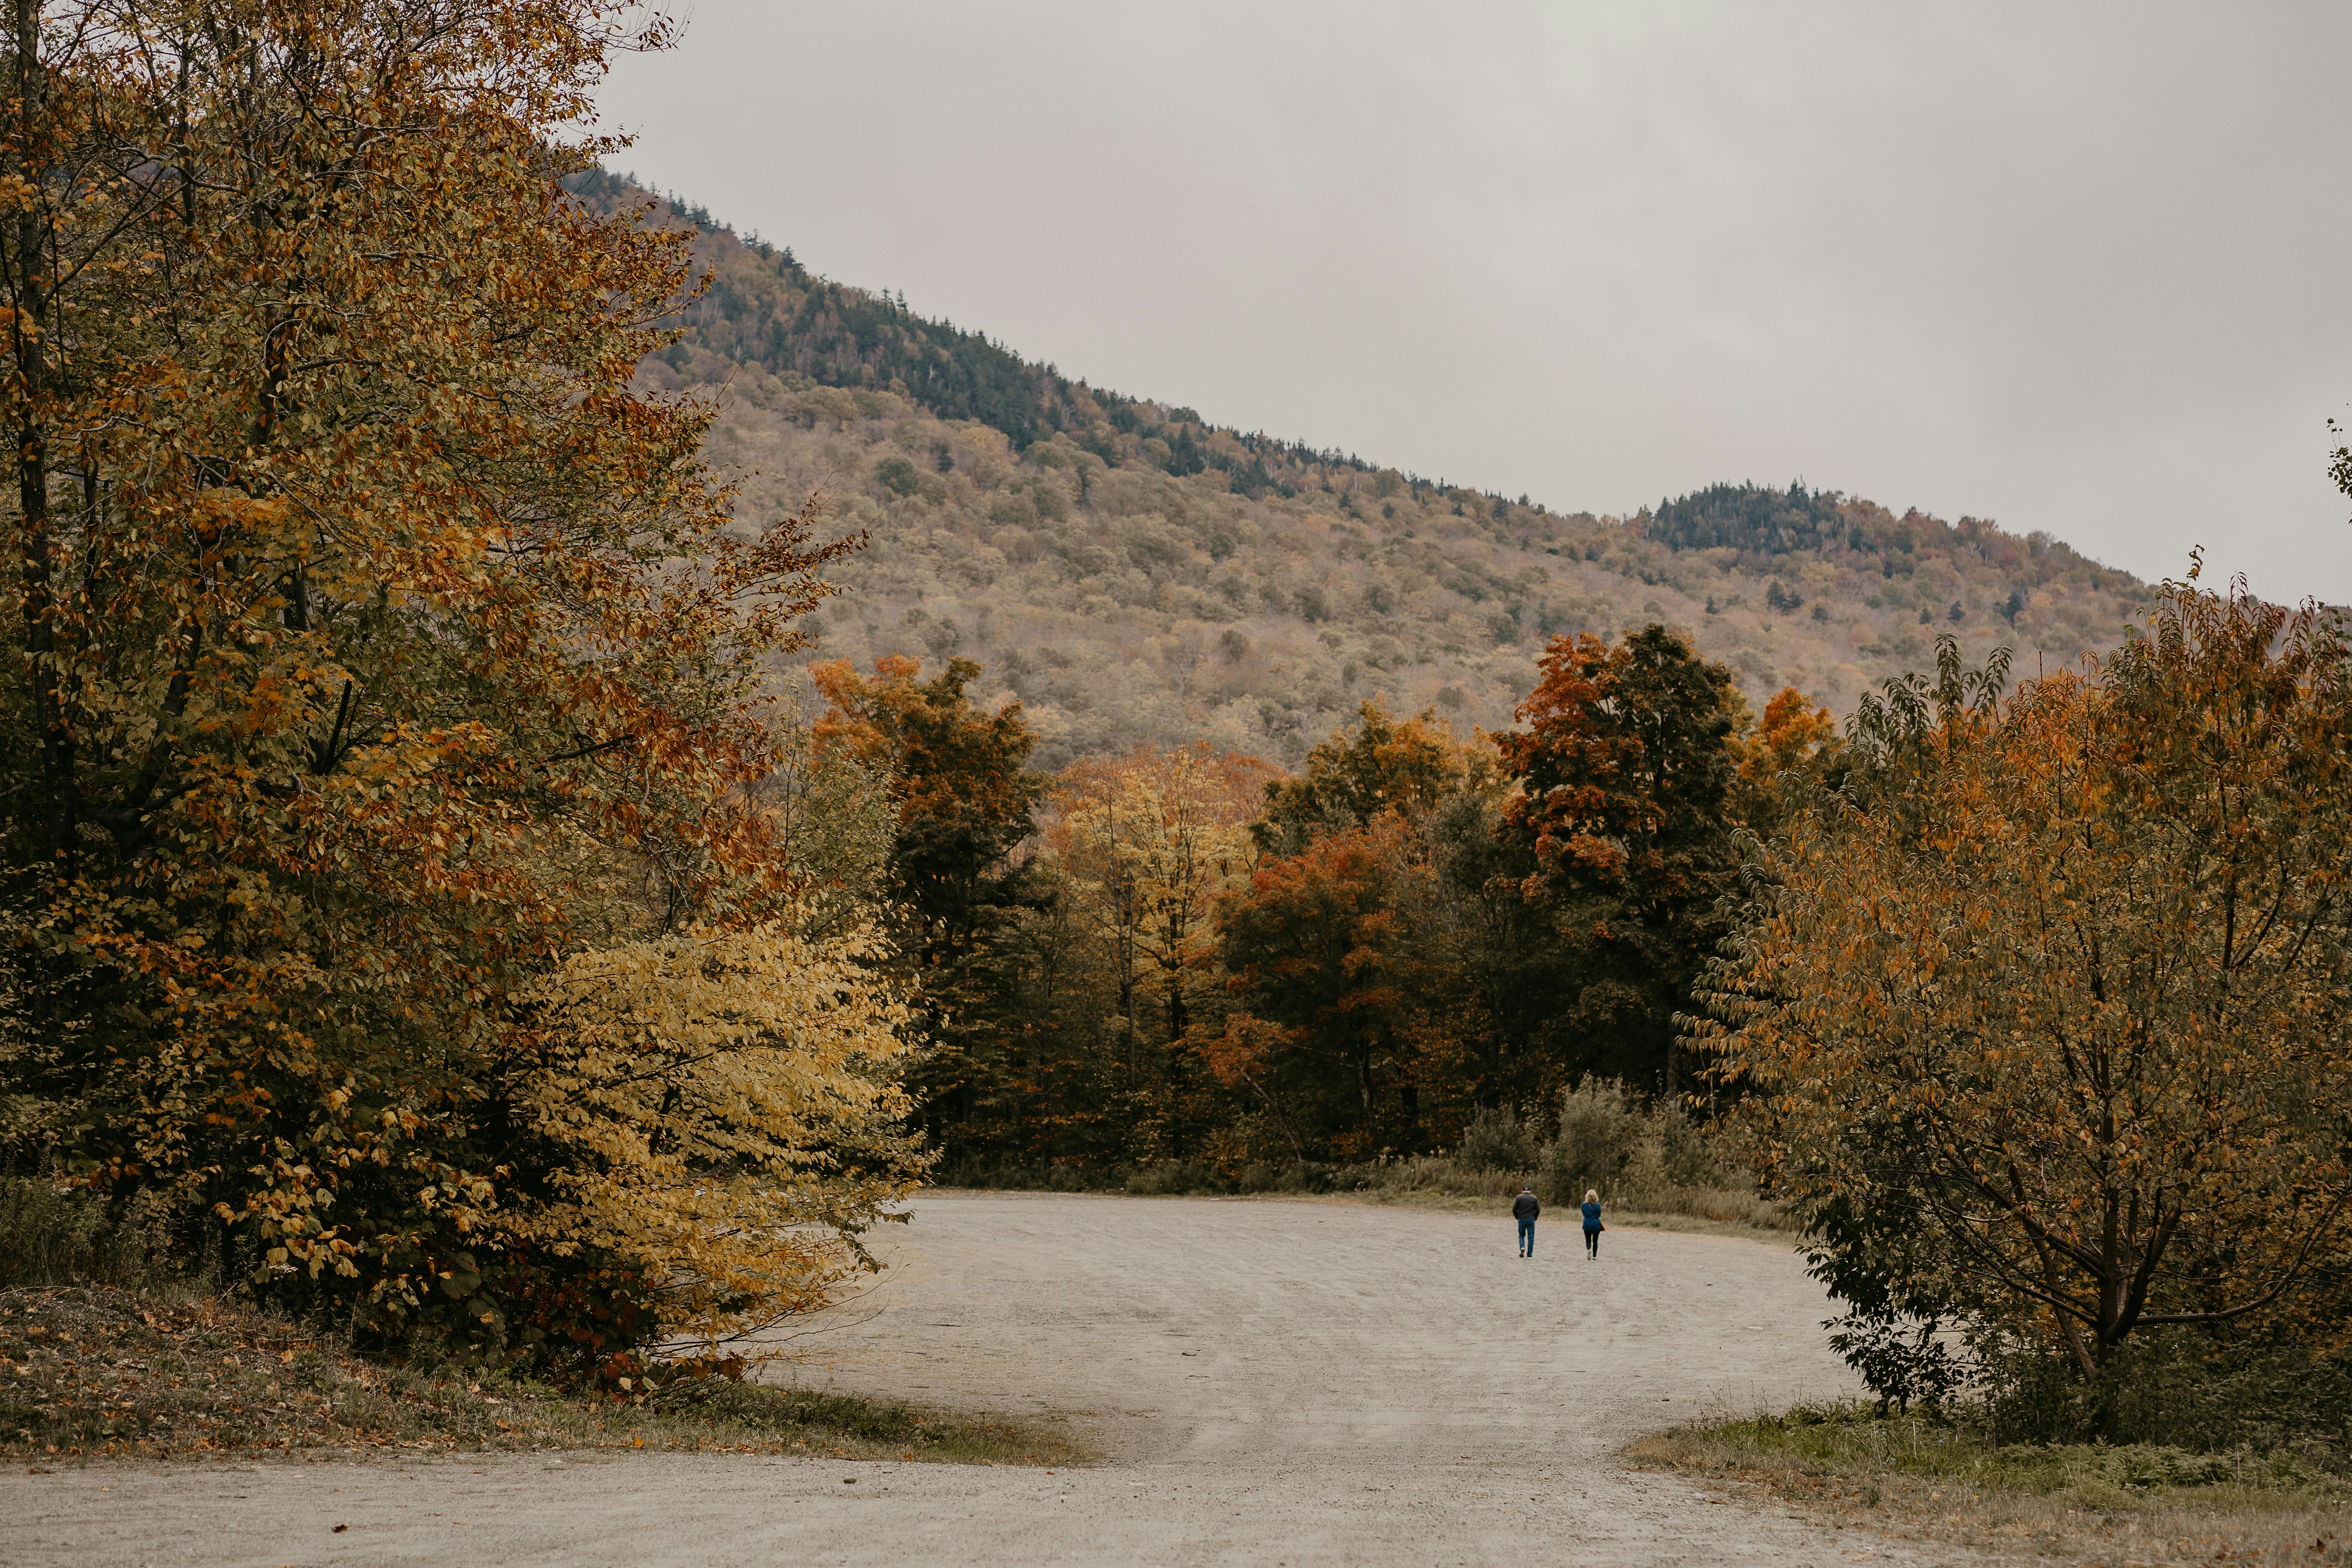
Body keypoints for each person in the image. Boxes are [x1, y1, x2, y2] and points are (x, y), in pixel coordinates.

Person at [1512, 1186, 1539, 1257]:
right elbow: (1538, 1210)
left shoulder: (1519, 1198)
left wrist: (1517, 1217)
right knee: (1531, 1237)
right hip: (1531, 1218)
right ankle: (1530, 1255)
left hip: (1521, 1218)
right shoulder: (1534, 1198)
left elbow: (1514, 1209)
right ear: (1530, 1191)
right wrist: (1535, 1218)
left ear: (1522, 1191)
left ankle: (1522, 1247)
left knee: (1521, 1235)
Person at [1581, 1189, 1603, 1258]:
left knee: (1588, 1240)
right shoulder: (1598, 1205)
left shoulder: (1584, 1205)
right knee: (1595, 1241)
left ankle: (1589, 1249)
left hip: (1587, 1224)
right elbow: (1599, 1214)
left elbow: (1584, 1213)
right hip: (1596, 1225)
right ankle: (1594, 1257)